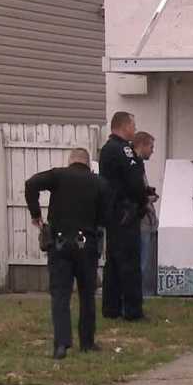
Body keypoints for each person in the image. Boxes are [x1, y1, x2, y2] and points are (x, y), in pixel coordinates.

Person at [25, 148, 112, 359]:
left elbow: (31, 184)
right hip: (86, 245)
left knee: (61, 295)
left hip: (60, 244)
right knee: (87, 295)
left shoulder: (58, 175)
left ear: (70, 161)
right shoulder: (99, 182)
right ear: (87, 164)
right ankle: (87, 342)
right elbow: (105, 216)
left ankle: (61, 345)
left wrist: (36, 214)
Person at [99, 111, 148, 321]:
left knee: (114, 262)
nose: (134, 129)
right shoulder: (123, 150)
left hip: (112, 213)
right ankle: (133, 310)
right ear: (124, 125)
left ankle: (111, 308)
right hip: (126, 213)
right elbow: (134, 181)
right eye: (133, 125)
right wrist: (143, 200)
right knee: (129, 262)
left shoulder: (107, 149)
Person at [133, 131, 159, 297]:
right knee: (140, 263)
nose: (152, 151)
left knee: (143, 262)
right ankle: (139, 296)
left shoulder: (138, 166)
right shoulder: (134, 166)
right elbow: (136, 194)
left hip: (146, 222)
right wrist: (147, 199)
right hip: (141, 222)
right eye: (151, 146)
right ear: (142, 145)